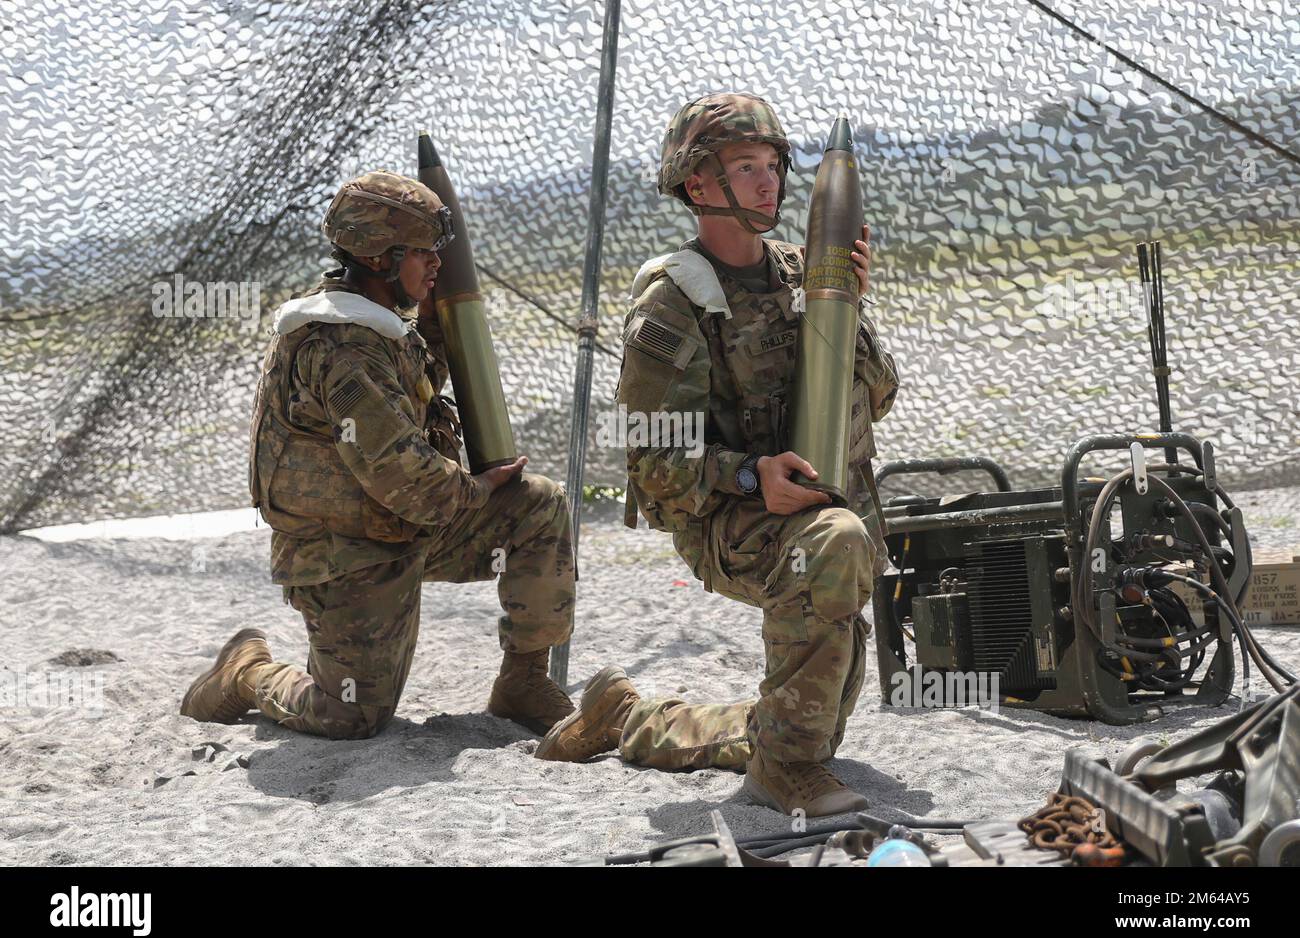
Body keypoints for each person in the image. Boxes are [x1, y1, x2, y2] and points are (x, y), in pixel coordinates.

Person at [537, 94, 899, 818]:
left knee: (811, 719)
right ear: (697, 184)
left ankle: (632, 717)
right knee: (834, 553)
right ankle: (782, 776)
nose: (769, 184)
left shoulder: (806, 275)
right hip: (727, 519)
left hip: (822, 518)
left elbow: (879, 398)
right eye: (745, 167)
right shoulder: (675, 303)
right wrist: (749, 474)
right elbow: (648, 462)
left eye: (774, 166)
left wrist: (848, 309)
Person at [180, 170, 576, 740]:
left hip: (405, 527)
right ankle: (246, 673)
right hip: (344, 553)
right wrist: (482, 488)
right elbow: (406, 477)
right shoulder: (340, 343)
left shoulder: (380, 328)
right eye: (421, 253)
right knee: (350, 714)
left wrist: (437, 333)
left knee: (539, 506)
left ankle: (522, 680)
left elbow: (412, 395)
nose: (437, 264)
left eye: (438, 250)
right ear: (379, 257)